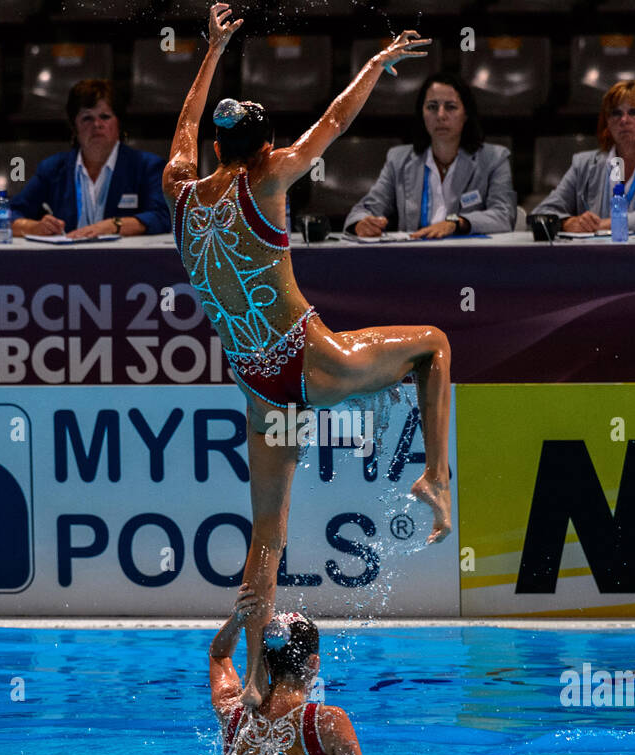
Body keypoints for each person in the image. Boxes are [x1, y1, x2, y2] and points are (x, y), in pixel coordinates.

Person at [163, 4, 453, 708]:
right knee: (435, 346)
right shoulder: (265, 180)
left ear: (219, 147)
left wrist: (211, 52)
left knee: (268, 533)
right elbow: (333, 123)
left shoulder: (179, 194)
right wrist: (376, 67)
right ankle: (436, 480)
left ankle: (262, 692)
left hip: (259, 385)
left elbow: (182, 132)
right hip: (308, 360)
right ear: (263, 150)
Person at [205, 589, 422, 755]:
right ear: (314, 663)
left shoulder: (235, 713)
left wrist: (238, 620)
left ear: (266, 661)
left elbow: (218, 655)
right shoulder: (327, 722)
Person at [344, 72, 517, 238]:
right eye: (432, 107)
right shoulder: (398, 160)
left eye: (451, 107)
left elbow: (504, 215)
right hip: (415, 257)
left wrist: (456, 223)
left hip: (468, 258)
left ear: (466, 114)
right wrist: (361, 223)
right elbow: (364, 210)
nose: (441, 115)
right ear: (422, 113)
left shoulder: (494, 158)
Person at [7, 78, 171, 238]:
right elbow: (7, 216)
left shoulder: (147, 166)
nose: (97, 124)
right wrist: (33, 227)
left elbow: (163, 217)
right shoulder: (52, 169)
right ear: (74, 127)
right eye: (87, 118)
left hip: (126, 262)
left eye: (105, 116)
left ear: (119, 124)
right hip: (68, 261)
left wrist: (115, 225)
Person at [533, 79, 635, 233]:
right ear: (607, 123)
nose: (624, 120)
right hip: (596, 257)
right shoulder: (583, 164)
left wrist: (615, 222)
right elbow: (541, 214)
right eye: (616, 113)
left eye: (633, 112)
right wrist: (566, 223)